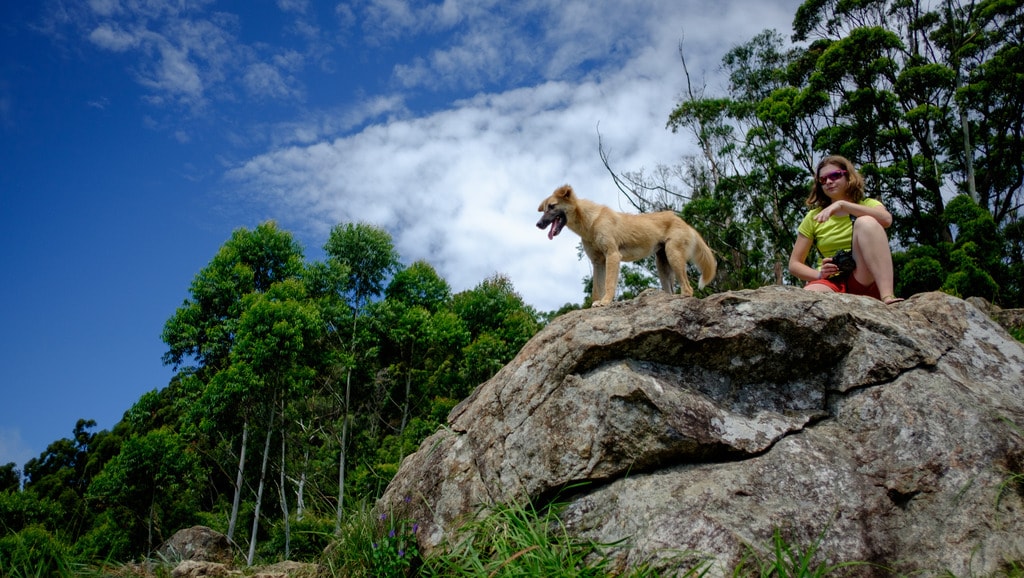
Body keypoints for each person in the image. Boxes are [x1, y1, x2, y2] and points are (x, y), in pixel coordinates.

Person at [788, 155, 904, 304]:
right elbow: (794, 264)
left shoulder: (868, 204)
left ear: (848, 176)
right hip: (832, 281)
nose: (829, 182)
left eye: (835, 176)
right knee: (805, 300)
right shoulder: (814, 216)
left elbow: (886, 220)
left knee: (866, 222)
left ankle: (887, 296)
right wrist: (819, 275)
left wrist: (843, 205)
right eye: (823, 180)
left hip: (863, 276)